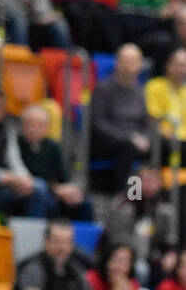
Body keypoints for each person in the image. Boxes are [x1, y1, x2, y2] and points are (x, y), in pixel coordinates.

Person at [89, 43, 155, 190]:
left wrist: (145, 138)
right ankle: (124, 196)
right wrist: (129, 138)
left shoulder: (140, 92)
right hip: (106, 141)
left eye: (132, 62)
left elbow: (146, 123)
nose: (127, 66)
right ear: (117, 62)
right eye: (124, 61)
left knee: (159, 146)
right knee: (128, 148)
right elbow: (98, 123)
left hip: (135, 142)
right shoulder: (103, 88)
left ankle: (151, 200)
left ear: (139, 65)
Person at [17, 103, 93, 220]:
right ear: (22, 126)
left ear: (47, 128)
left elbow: (63, 175)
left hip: (54, 191)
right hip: (28, 192)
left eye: (40, 125)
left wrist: (70, 190)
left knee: (84, 203)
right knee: (42, 199)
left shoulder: (52, 146)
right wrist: (55, 190)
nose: (34, 129)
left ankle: (79, 237)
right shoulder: (16, 145)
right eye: (30, 124)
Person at [143, 46, 186, 165]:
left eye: (184, 66)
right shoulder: (154, 86)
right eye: (178, 65)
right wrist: (167, 133)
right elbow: (153, 118)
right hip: (164, 139)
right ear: (168, 65)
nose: (182, 70)